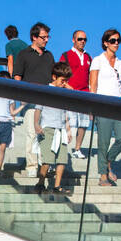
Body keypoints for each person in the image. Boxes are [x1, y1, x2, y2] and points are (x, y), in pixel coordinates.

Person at [89, 29, 121, 186]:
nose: (116, 43)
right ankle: (103, 176)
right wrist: (92, 108)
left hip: (119, 106)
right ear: (106, 43)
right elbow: (93, 85)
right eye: (113, 40)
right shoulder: (97, 60)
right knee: (103, 142)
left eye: (118, 40)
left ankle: (107, 161)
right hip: (102, 105)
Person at [13, 22, 54, 172]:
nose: (46, 40)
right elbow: (17, 76)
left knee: (46, 134)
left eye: (48, 37)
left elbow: (53, 78)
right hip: (29, 101)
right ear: (34, 37)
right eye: (43, 37)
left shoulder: (49, 56)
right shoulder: (23, 54)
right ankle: (31, 166)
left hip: (47, 102)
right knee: (31, 133)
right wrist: (21, 96)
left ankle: (45, 165)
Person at [36, 62, 77, 196]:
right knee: (48, 158)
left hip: (61, 129)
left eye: (67, 81)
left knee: (62, 159)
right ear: (54, 77)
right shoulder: (46, 90)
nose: (64, 83)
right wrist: (37, 124)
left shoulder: (63, 92)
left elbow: (65, 112)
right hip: (48, 128)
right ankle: (40, 183)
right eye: (62, 80)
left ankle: (57, 185)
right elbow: (38, 109)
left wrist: (68, 129)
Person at [60, 30, 92, 157]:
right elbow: (60, 74)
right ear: (73, 40)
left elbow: (91, 77)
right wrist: (69, 87)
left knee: (83, 124)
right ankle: (62, 150)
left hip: (85, 94)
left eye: (85, 39)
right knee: (70, 123)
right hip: (70, 94)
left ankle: (77, 149)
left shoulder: (88, 57)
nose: (82, 41)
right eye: (80, 39)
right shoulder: (66, 55)